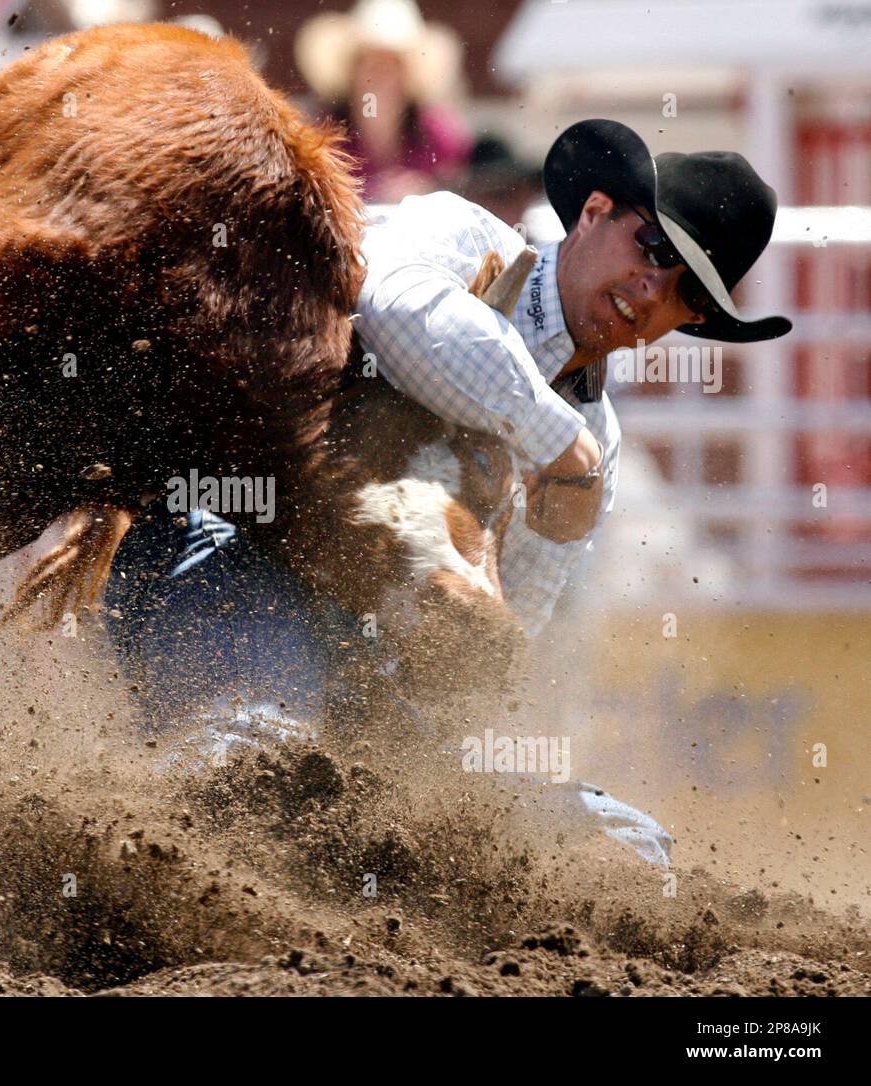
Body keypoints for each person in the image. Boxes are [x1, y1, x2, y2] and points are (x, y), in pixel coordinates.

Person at [106, 118, 792, 865]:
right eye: (655, 249)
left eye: (684, 292)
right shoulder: (461, 233)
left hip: (373, 659)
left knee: (632, 848)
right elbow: (396, 311)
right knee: (253, 755)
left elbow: (499, 637)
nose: (651, 287)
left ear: (684, 323)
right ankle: (142, 890)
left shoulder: (598, 438)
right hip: (235, 550)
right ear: (595, 212)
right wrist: (560, 448)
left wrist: (436, 731)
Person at [294, 0, 473, 202]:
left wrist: (428, 193)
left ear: (409, 76)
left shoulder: (439, 136)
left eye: (392, 66)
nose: (381, 78)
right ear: (351, 72)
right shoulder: (320, 137)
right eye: (372, 65)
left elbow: (462, 196)